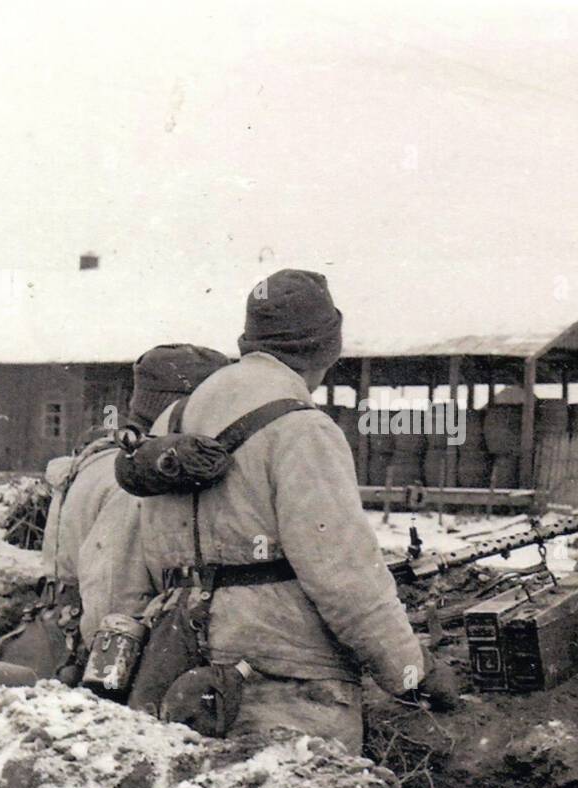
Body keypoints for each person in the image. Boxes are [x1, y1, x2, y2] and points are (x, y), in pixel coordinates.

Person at [128, 269, 456, 753]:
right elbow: (343, 577)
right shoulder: (302, 429)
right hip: (285, 688)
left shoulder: (173, 419)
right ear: (328, 349)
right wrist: (411, 669)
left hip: (183, 679)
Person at [0, 344, 228, 678]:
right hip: (79, 655)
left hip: (50, 633)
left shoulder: (109, 458)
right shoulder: (133, 481)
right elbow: (114, 594)